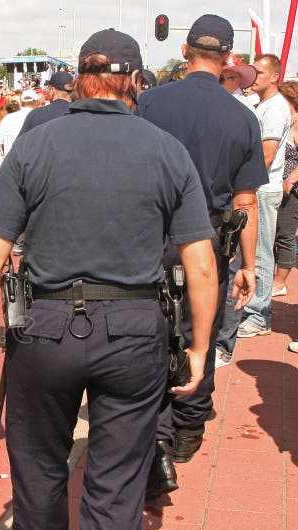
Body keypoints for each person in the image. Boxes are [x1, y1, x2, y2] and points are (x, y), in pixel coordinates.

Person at [0, 30, 217, 530]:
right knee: (118, 474)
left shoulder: (35, 144)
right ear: (133, 80)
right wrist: (201, 348)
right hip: (133, 327)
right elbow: (200, 261)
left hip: (47, 325)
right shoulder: (165, 150)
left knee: (38, 452)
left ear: (79, 78)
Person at [136, 14, 267, 493]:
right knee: (200, 327)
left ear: (186, 49)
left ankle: (156, 426)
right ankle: (188, 422)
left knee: (149, 328)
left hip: (153, 234)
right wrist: (250, 266)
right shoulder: (241, 116)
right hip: (209, 239)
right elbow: (246, 201)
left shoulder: (150, 102)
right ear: (228, 58)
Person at [233, 54, 292, 339]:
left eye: (259, 72)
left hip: (263, 189)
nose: (253, 77)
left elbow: (266, 155)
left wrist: (244, 182)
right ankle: (255, 310)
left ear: (274, 77)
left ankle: (259, 315)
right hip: (260, 187)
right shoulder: (264, 106)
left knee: (260, 251)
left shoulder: (275, 109)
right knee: (255, 250)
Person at [275, 82, 298, 304]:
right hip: (278, 185)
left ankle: (281, 282)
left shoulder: (297, 121)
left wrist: (290, 181)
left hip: (290, 191)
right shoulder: (284, 120)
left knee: (285, 235)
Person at [18, 71, 74, 136]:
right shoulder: (82, 115)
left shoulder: (36, 115)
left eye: (48, 88)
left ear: (52, 90)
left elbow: (19, 144)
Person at [0, 90, 36, 155]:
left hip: (10, 160)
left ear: (21, 103)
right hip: (32, 160)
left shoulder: (8, 118)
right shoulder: (38, 118)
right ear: (36, 103)